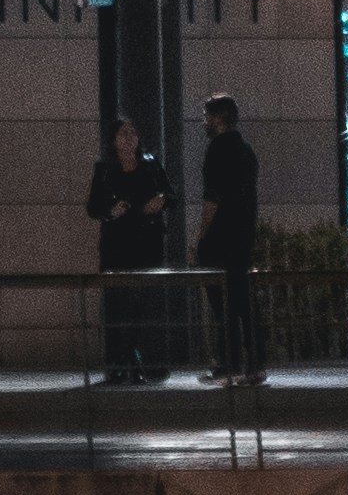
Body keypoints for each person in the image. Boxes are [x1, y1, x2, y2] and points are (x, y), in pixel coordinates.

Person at [86, 114, 176, 384]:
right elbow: (93, 207)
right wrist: (111, 212)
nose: (130, 137)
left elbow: (171, 194)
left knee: (143, 304)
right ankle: (119, 363)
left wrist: (160, 200)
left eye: (133, 132)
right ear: (113, 140)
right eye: (123, 133)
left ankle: (140, 361)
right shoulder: (104, 169)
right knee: (117, 304)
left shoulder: (150, 164)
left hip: (146, 244)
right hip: (117, 245)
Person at [196, 89, 264, 386]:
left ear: (218, 119)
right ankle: (254, 365)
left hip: (220, 238)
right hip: (243, 236)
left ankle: (229, 364)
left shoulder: (216, 151)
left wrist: (202, 237)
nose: (204, 123)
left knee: (221, 304)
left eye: (206, 117)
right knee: (243, 301)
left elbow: (211, 199)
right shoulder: (246, 151)